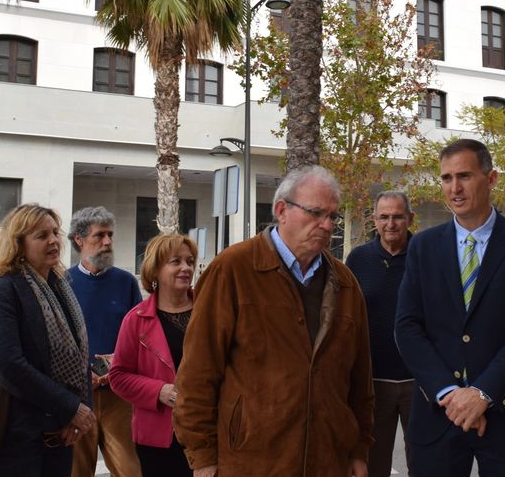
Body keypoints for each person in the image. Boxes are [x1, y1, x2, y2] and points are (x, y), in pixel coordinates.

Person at [175, 165, 375, 477]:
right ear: (282, 210)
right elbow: (198, 374)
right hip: (251, 462)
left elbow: (360, 381)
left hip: (328, 460)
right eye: (316, 212)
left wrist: (359, 449)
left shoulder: (346, 283)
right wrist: (202, 457)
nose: (326, 225)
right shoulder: (233, 269)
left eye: (332, 216)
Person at [395, 139, 505, 476]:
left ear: (491, 178)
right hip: (439, 415)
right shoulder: (422, 246)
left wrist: (483, 393)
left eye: (464, 176)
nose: (454, 188)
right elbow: (408, 326)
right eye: (446, 178)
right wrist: (451, 394)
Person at [0, 204, 96, 477]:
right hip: (17, 442)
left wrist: (79, 412)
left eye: (55, 232)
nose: (54, 240)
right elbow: (7, 364)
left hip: (60, 436)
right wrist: (70, 407)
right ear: (18, 244)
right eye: (42, 236)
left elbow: (80, 359)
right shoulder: (2, 291)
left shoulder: (62, 288)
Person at [109, 234, 198, 477]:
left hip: (208, 432)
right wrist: (160, 391)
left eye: (190, 261)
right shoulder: (136, 320)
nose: (186, 268)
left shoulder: (209, 311)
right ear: (155, 269)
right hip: (159, 438)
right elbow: (118, 376)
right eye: (175, 261)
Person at [65, 206, 143, 477]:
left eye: (110, 235)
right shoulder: (61, 283)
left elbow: (140, 335)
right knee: (76, 471)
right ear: (79, 239)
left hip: (119, 394)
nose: (108, 242)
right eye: (100, 235)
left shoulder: (126, 282)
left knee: (130, 470)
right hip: (76, 396)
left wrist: (116, 362)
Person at [345, 191, 416, 477]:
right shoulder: (358, 260)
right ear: (374, 220)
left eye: (398, 216)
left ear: (409, 218)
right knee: (373, 466)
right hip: (374, 385)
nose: (391, 223)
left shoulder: (426, 254)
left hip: (419, 383)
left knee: (427, 464)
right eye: (384, 217)